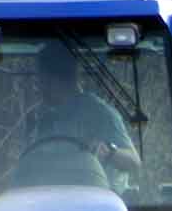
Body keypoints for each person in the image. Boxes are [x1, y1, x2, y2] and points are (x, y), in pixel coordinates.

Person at [34, 41, 141, 174]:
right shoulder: (46, 119)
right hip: (56, 191)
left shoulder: (100, 114)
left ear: (58, 79)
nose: (39, 87)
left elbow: (134, 163)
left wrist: (109, 151)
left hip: (101, 192)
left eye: (42, 80)